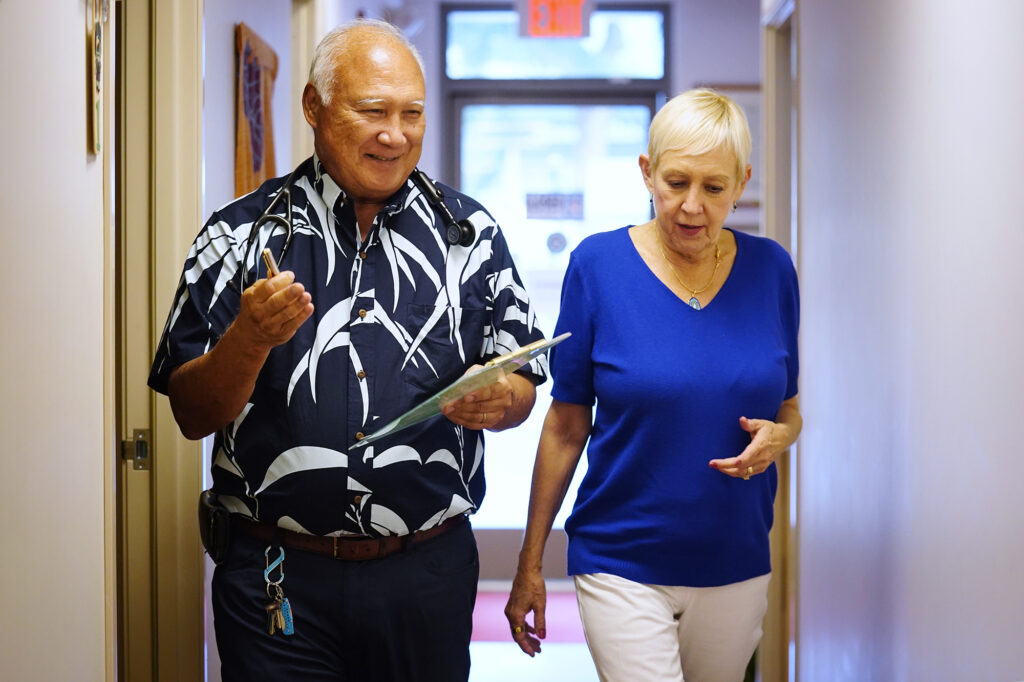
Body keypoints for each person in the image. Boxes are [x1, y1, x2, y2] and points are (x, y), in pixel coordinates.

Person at [148, 19, 547, 682]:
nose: (395, 133)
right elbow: (192, 413)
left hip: (428, 570)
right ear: (313, 106)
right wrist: (249, 338)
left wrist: (502, 400)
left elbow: (525, 386)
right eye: (372, 111)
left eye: (411, 114)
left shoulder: (469, 234)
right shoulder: (238, 235)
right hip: (276, 579)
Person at [504, 88, 802, 682]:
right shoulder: (598, 266)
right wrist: (529, 561)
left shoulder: (772, 270)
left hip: (735, 558)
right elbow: (565, 425)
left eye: (714, 188)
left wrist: (782, 437)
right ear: (647, 173)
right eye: (676, 182)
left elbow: (790, 407)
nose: (692, 207)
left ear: (741, 183)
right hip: (619, 558)